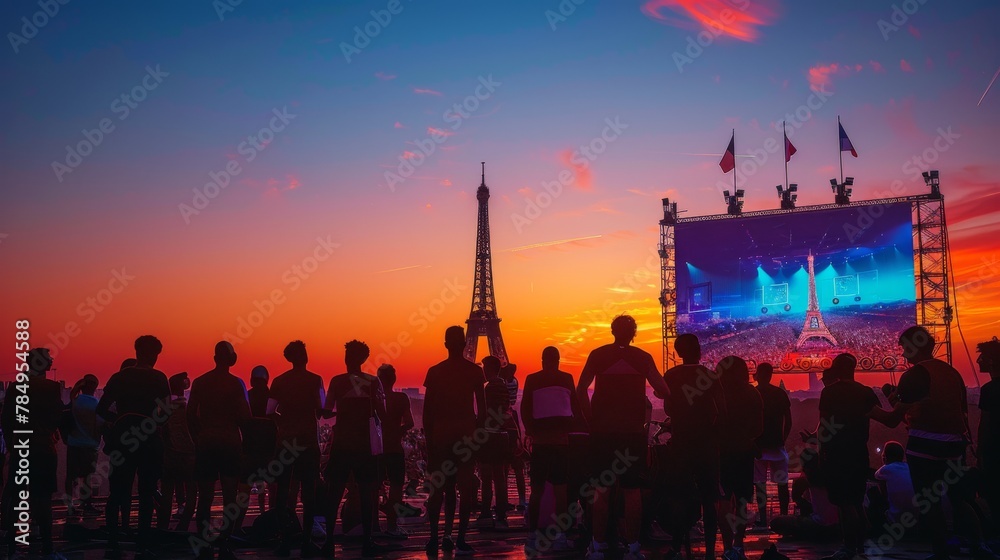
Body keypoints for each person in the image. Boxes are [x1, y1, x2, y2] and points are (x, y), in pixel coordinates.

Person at [870, 327, 998, 560]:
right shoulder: (952, 372)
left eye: (904, 348)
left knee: (929, 501)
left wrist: (868, 408)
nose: (903, 354)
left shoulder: (913, 375)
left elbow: (891, 420)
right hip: (955, 445)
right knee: (960, 499)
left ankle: (941, 553)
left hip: (925, 445)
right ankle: (980, 546)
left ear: (913, 347)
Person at [577, 314, 671, 560]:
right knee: (632, 491)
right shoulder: (643, 358)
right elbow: (664, 390)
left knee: (601, 489)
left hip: (602, 432)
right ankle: (633, 547)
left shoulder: (598, 355)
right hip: (632, 433)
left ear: (612, 331)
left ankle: (597, 547)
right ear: (633, 333)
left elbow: (580, 389)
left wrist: (590, 419)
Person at [96, 336, 171, 559]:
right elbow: (165, 413)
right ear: (154, 354)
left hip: (123, 439)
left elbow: (101, 409)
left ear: (136, 351)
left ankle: (112, 539)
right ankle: (143, 540)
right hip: (148, 440)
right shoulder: (159, 378)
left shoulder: (120, 377)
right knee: (147, 492)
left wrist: (120, 419)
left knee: (118, 491)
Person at [422, 326, 487, 557]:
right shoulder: (474, 372)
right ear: (465, 344)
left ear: (446, 344)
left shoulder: (435, 372)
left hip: (441, 435)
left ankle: (434, 538)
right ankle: (458, 537)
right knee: (465, 488)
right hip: (466, 436)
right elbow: (483, 411)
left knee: (440, 489)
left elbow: (427, 412)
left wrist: (429, 444)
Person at [323, 340, 387, 558]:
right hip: (364, 443)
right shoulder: (373, 381)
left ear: (347, 358)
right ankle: (367, 539)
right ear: (364, 359)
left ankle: (328, 540)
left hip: (342, 441)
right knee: (368, 492)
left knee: (335, 492)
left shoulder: (337, 381)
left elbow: (326, 411)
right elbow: (382, 411)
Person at [663, 334, 724, 560]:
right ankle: (709, 552)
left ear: (679, 353)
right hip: (707, 445)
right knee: (710, 499)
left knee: (679, 497)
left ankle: (676, 547)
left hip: (680, 444)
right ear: (697, 350)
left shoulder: (670, 376)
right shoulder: (710, 376)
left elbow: (668, 408)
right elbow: (721, 411)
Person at [188, 342, 251, 560]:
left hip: (206, 443)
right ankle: (225, 544)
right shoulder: (236, 384)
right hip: (230, 444)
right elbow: (245, 417)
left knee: (204, 498)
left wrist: (198, 438)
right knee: (230, 498)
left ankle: (204, 545)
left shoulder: (200, 382)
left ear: (215, 358)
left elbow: (190, 415)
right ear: (232, 360)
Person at [1, 348, 63, 558]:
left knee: (14, 494)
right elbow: (58, 418)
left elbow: (6, 419)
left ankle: (10, 545)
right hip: (43, 447)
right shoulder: (52, 388)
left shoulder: (15, 388)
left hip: (21, 446)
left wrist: (12, 446)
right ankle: (47, 547)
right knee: (43, 497)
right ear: (47, 365)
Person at [817, 353, 878, 560]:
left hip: (837, 453)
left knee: (844, 503)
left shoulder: (830, 393)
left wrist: (821, 451)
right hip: (859, 451)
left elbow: (824, 426)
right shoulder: (865, 392)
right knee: (857, 501)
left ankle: (848, 547)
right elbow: (885, 418)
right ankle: (860, 547)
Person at [521, 346, 581, 553]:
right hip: (561, 442)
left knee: (536, 490)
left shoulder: (532, 379)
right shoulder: (566, 378)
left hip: (540, 442)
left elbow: (525, 409)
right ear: (558, 360)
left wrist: (531, 430)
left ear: (542, 360)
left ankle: (532, 535)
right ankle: (561, 535)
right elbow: (575, 406)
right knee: (561, 490)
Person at [267, 341, 325, 557]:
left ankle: (284, 539)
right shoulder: (315, 379)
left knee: (282, 491)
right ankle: (306, 540)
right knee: (308, 492)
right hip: (308, 442)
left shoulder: (280, 381)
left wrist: (284, 424)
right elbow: (320, 410)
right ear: (305, 356)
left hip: (285, 441)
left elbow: (270, 410)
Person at [716, 356, 763, 560]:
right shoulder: (752, 393)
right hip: (744, 451)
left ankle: (726, 546)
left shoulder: (717, 393)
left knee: (723, 499)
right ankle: (737, 545)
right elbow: (759, 427)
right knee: (743, 500)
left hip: (721, 451)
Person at [377, 364, 414, 539]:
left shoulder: (373, 399)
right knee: (396, 486)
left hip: (376, 448)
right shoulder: (401, 398)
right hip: (394, 448)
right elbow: (409, 422)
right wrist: (398, 431)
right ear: (394, 379)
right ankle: (392, 526)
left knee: (373, 486)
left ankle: (374, 526)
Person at [753, 363, 792, 525]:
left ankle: (762, 518)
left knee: (760, 484)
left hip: (758, 445)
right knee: (782, 483)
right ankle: (783, 517)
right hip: (777, 444)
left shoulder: (753, 393)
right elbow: (788, 420)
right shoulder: (779, 394)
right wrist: (784, 438)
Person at [477, 356, 512, 530]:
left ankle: (485, 511)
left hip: (488, 435)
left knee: (486, 476)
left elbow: (483, 413)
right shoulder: (504, 386)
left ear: (489, 368)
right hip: (502, 435)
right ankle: (501, 513)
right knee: (500, 477)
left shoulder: (488, 388)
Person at [160, 372, 197, 531]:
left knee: (167, 493)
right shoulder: (188, 408)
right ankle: (183, 526)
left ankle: (162, 526)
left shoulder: (165, 409)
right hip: (189, 455)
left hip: (170, 455)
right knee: (191, 492)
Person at [65, 374, 102, 519]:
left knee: (70, 477)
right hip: (90, 445)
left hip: (73, 443)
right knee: (87, 477)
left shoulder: (75, 401)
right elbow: (99, 424)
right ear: (94, 387)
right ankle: (86, 504)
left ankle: (69, 506)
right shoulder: (96, 404)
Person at [976, 338, 1000, 524]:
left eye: (982, 357)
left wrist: (980, 450)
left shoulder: (990, 390)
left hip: (993, 449)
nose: (978, 361)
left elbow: (986, 422)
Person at [500, 363, 527, 512]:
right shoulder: (514, 382)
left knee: (503, 469)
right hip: (512, 426)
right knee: (518, 469)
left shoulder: (500, 384)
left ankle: (503, 501)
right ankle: (522, 500)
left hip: (504, 427)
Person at [873, 442, 916, 525]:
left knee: (872, 493)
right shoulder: (909, 467)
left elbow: (876, 476)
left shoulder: (885, 470)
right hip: (916, 517)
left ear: (884, 456)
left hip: (896, 519)